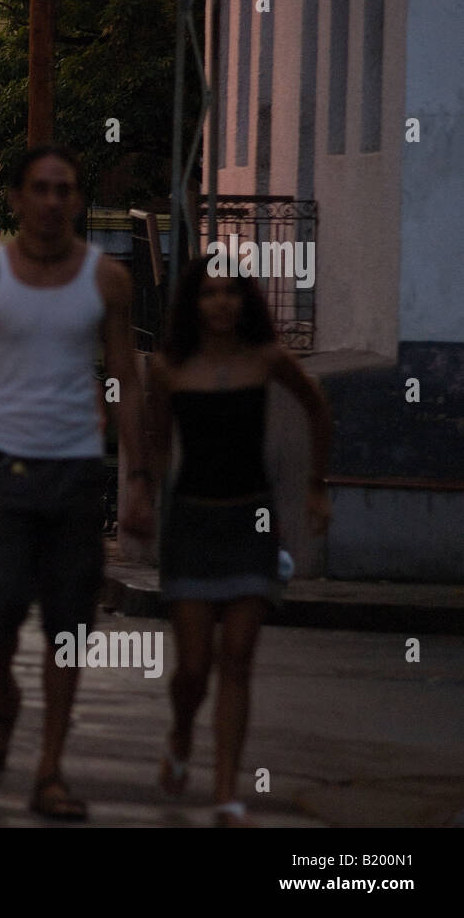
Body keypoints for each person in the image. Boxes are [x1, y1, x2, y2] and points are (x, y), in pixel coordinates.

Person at [0, 145, 155, 820]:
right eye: (40, 189)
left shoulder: (107, 280)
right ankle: (4, 692)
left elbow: (124, 380)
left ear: (78, 200)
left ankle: (50, 770)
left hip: (76, 473)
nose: (53, 201)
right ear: (19, 199)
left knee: (69, 625)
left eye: (65, 190)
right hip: (3, 466)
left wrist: (138, 476)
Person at [150, 255, 331, 827]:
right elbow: (155, 440)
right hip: (192, 527)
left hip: (252, 523)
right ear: (193, 304)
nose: (220, 303)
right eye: (209, 294)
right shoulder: (170, 367)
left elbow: (316, 407)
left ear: (244, 300)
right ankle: (181, 735)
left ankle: (226, 789)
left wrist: (316, 485)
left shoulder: (266, 359)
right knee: (194, 669)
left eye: (230, 292)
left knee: (237, 659)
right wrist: (151, 500)